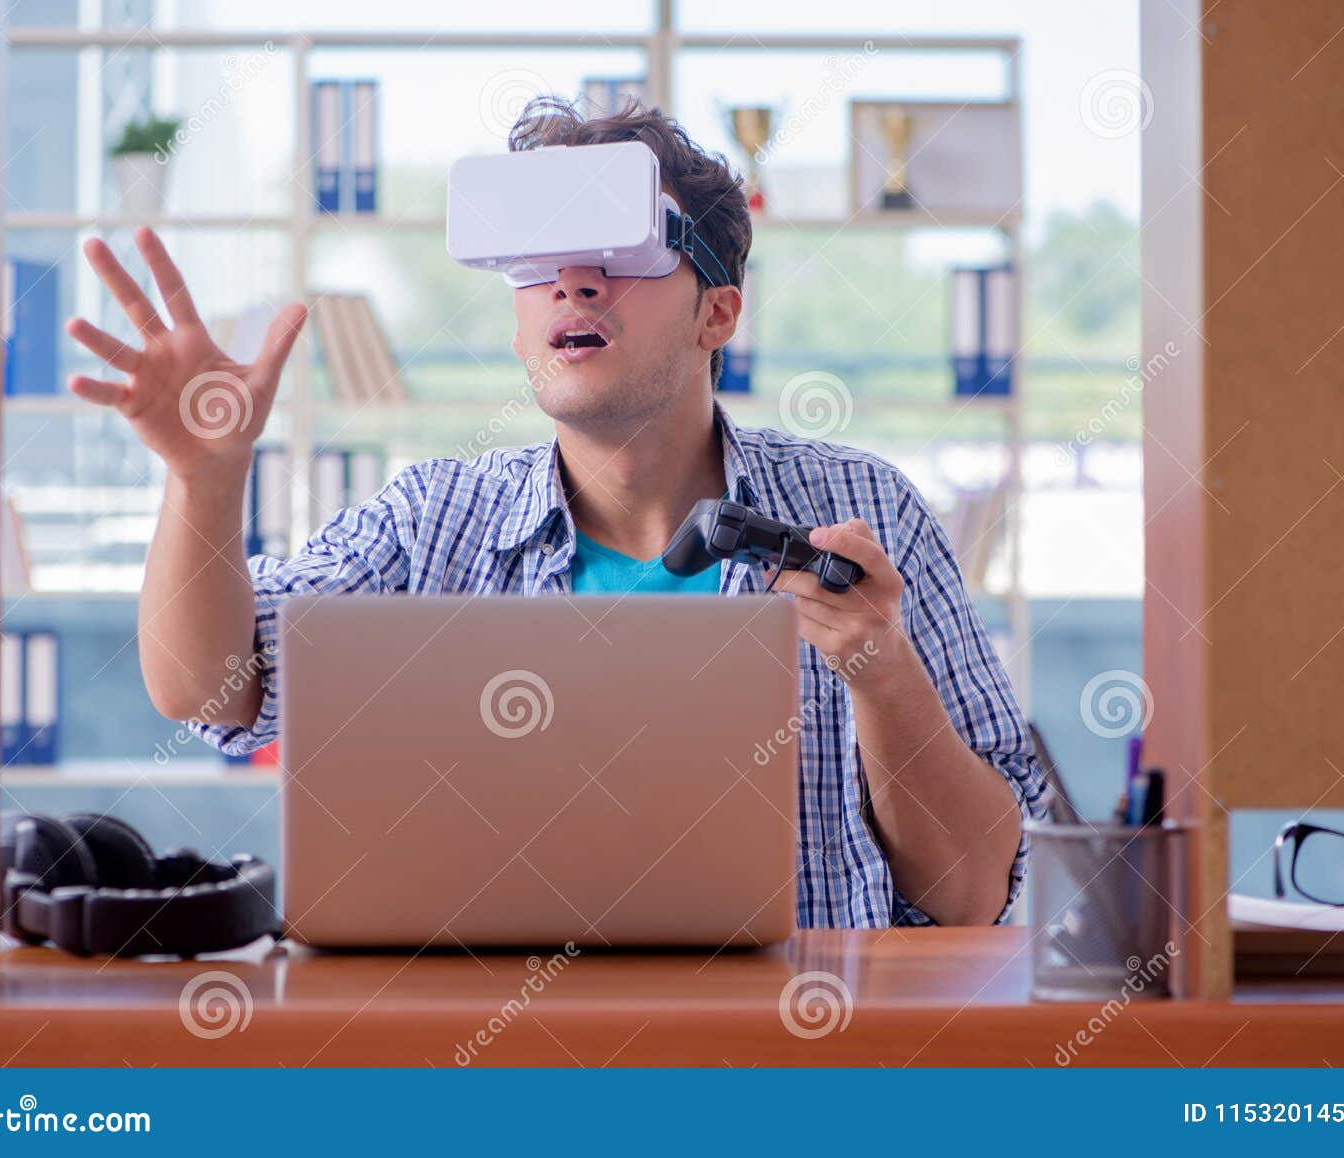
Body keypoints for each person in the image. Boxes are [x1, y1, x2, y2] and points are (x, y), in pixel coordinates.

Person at [65, 97, 1045, 928]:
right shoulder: (430, 523)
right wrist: (204, 481)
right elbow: (210, 689)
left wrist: (881, 673)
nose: (574, 279)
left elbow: (968, 892)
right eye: (541, 261)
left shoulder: (863, 514)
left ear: (718, 313)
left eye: (625, 249)